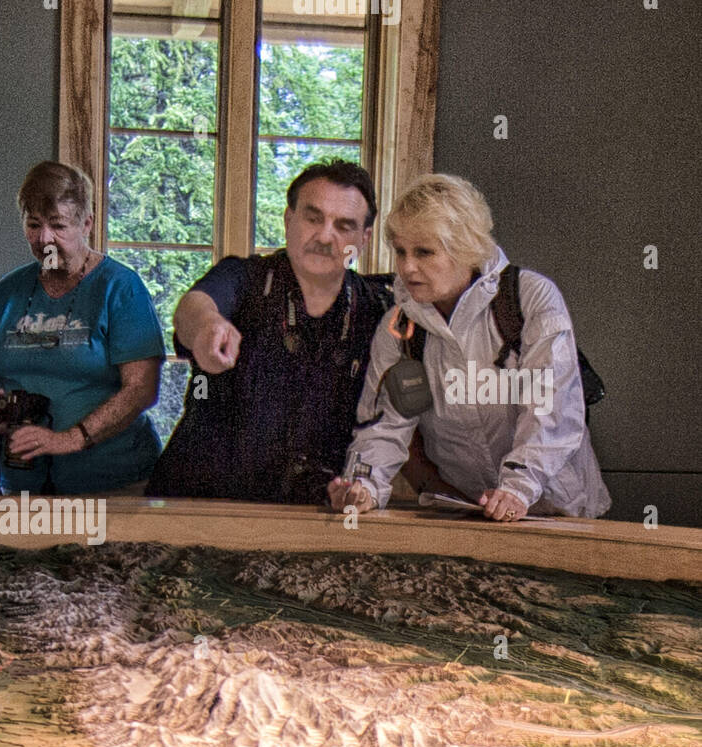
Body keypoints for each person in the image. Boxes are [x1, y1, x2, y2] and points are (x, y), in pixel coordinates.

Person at [329, 173, 610, 521]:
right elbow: (384, 426)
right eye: (400, 251)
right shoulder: (399, 330)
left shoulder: (530, 299)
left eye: (424, 252)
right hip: (472, 510)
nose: (407, 267)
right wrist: (364, 486)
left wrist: (517, 488)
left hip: (559, 509)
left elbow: (550, 410)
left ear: (465, 248)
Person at [147, 160, 391, 505]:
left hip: (311, 512)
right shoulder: (244, 277)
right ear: (289, 219)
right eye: (313, 217)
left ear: (364, 239)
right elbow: (194, 306)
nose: (325, 236)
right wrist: (207, 328)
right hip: (199, 502)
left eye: (344, 225)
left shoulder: (378, 307)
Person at [0, 161, 165, 495]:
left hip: (112, 487)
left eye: (58, 226)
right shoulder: (8, 291)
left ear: (86, 223)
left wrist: (69, 439)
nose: (44, 238)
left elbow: (141, 389)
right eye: (34, 225)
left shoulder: (121, 288)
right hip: (18, 487)